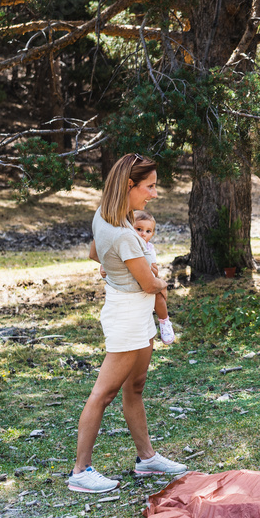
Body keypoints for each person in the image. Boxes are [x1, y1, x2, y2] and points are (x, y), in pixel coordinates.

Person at [68, 153, 186, 493]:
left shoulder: (110, 218)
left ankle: (146, 458)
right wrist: (162, 282)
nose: (153, 193)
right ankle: (80, 471)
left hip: (137, 313)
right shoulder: (123, 234)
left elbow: (94, 254)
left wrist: (118, 269)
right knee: (103, 393)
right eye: (149, 187)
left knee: (135, 386)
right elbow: (150, 284)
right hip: (126, 316)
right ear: (129, 184)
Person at [132, 210, 176, 345]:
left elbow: (155, 270)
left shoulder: (149, 248)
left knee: (159, 294)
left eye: (148, 231)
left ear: (152, 234)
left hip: (147, 278)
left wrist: (151, 269)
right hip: (132, 281)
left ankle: (164, 321)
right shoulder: (127, 245)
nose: (143, 234)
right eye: (139, 229)